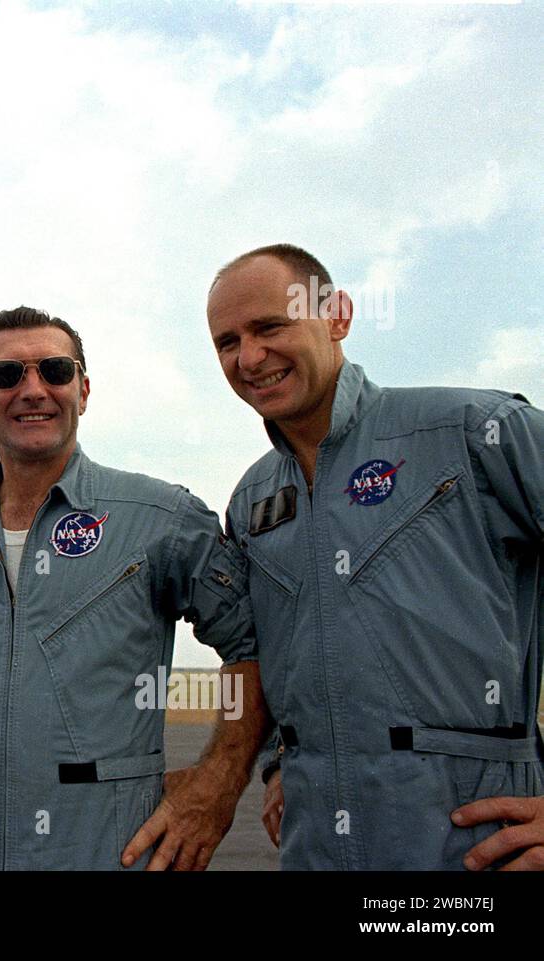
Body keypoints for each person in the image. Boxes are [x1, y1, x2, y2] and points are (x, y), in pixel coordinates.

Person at [207, 244, 544, 870]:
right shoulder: (252, 501)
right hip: (316, 850)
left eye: (270, 327)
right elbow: (260, 655)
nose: (249, 357)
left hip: (474, 851)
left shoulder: (474, 433)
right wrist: (280, 758)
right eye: (228, 341)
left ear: (336, 315)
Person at [0, 306, 269, 870]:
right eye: (6, 375)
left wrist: (217, 784)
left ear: (84, 389)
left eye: (55, 371)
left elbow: (256, 643)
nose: (32, 390)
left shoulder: (161, 519)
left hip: (111, 852)